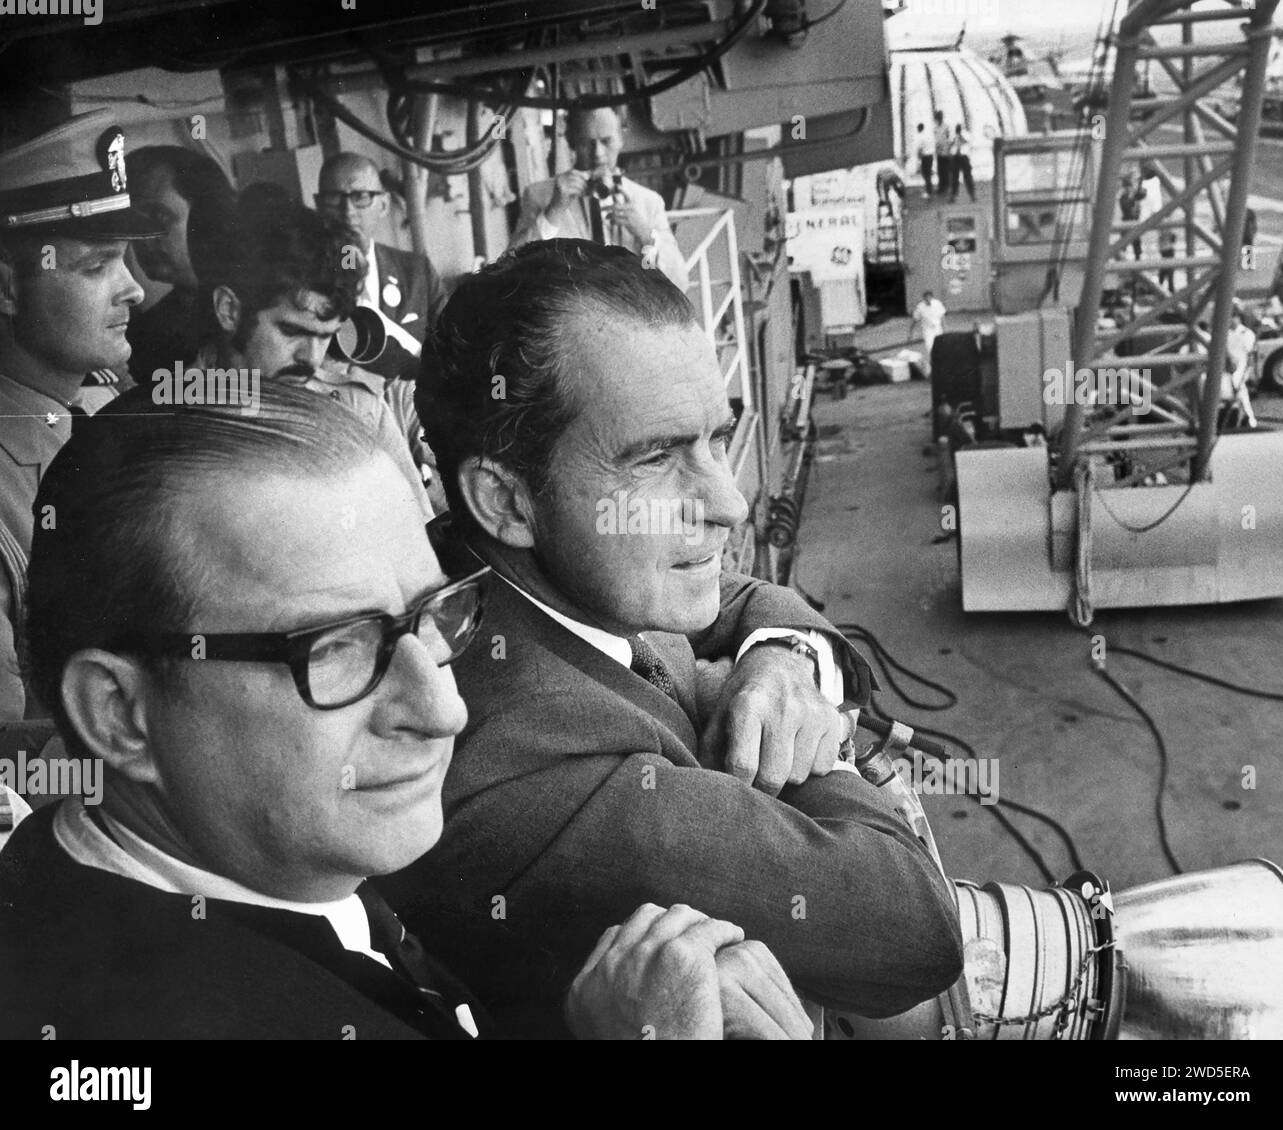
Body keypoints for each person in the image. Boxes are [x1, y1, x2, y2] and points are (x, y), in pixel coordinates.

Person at [0, 382, 812, 1041]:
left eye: (432, 616)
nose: (441, 707)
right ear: (118, 714)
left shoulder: (240, 863)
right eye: (335, 647)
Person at [379, 240, 964, 1037]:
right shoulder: (524, 772)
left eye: (715, 441)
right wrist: (802, 747)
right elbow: (916, 928)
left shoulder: (532, 571)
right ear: (506, 501)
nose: (726, 504)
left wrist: (782, 660)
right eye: (655, 458)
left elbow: (738, 598)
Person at [0, 111, 162, 720]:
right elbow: (7, 761)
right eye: (95, 267)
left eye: (124, 260)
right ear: (7, 289)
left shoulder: (106, 406)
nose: (134, 290)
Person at [196, 190, 443, 514]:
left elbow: (419, 535)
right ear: (228, 310)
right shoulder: (173, 415)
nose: (310, 358)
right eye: (292, 331)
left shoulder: (360, 410)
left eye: (325, 337)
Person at [509, 106, 689, 291]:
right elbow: (510, 269)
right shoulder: (539, 195)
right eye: (586, 143)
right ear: (571, 142)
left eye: (606, 141)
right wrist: (553, 213)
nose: (598, 154)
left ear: (621, 138)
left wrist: (645, 235)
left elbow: (678, 284)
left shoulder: (649, 203)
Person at [125, 145, 236, 383]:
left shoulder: (259, 305)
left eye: (159, 216)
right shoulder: (145, 336)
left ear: (207, 217)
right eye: (135, 222)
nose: (143, 238)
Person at [315, 152, 447, 343]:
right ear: (319, 205)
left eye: (361, 196)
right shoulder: (303, 274)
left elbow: (455, 353)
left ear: (383, 205)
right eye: (334, 197)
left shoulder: (418, 272)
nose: (348, 211)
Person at [1222, 307, 1258, 428]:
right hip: (1229, 366)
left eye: (1234, 317)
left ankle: (1250, 418)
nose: (1232, 320)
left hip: (1242, 365)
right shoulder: (1226, 333)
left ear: (1238, 318)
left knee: (1239, 389)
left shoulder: (1246, 333)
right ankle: (1235, 419)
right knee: (1229, 394)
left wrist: (1250, 372)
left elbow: (1250, 355)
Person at [911, 289, 947, 377]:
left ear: (932, 297)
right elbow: (915, 320)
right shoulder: (920, 307)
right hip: (927, 331)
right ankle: (935, 369)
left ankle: (942, 368)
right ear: (923, 298)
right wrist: (911, 332)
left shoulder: (937, 304)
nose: (928, 299)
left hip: (938, 329)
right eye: (926, 298)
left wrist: (945, 328)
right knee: (931, 348)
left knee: (941, 348)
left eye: (929, 297)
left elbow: (942, 316)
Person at [949, 125, 975, 203]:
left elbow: (968, 142)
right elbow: (951, 144)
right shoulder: (954, 137)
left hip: (964, 157)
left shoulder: (965, 135)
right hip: (956, 157)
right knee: (954, 177)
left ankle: (972, 194)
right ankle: (953, 195)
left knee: (967, 177)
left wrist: (960, 136)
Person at [933, 111, 953, 198]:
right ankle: (941, 187)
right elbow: (936, 140)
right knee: (940, 170)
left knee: (946, 170)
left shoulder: (946, 127)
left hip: (946, 152)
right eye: (937, 118)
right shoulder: (936, 128)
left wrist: (948, 148)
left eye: (939, 117)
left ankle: (948, 187)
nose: (938, 119)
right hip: (939, 152)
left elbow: (950, 139)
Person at [915, 121, 934, 197]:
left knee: (925, 174)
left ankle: (928, 191)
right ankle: (929, 189)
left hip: (925, 157)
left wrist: (918, 159)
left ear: (919, 128)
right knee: (928, 174)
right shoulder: (928, 135)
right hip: (930, 156)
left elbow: (919, 149)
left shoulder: (920, 136)